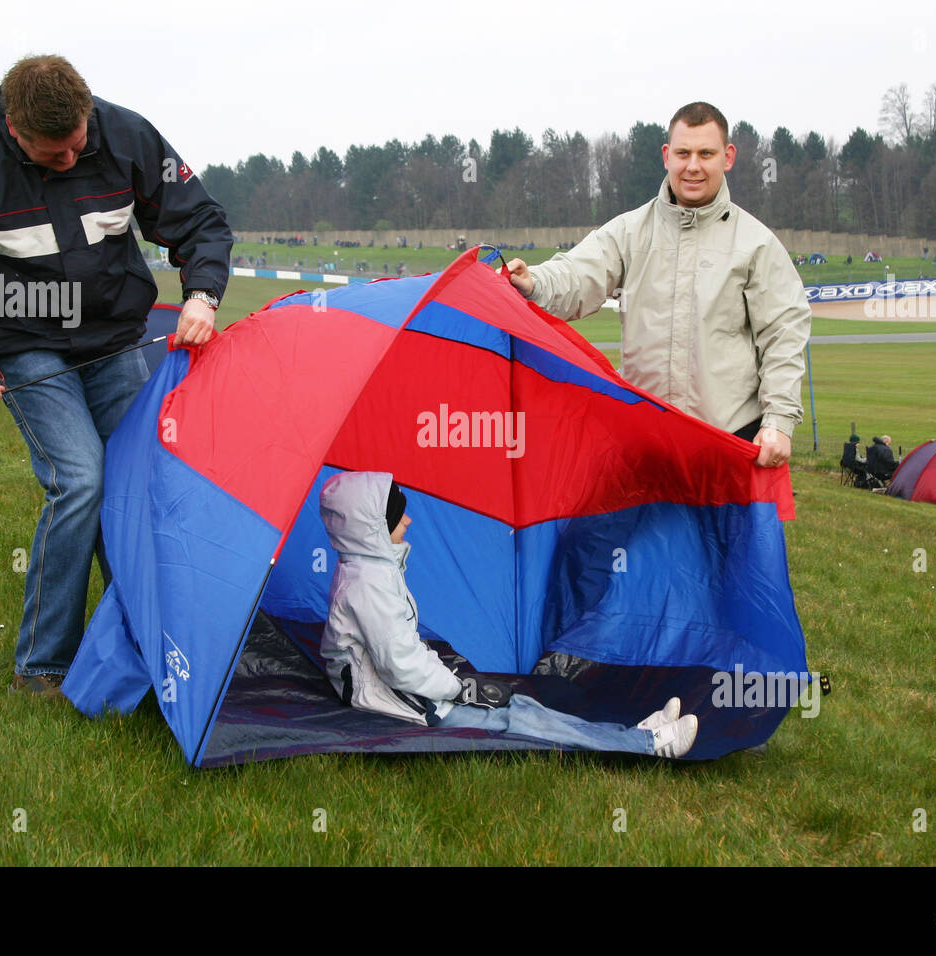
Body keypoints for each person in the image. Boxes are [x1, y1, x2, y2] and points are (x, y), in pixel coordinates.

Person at [0, 55, 233, 695]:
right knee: (80, 480)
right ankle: (42, 666)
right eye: (55, 157)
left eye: (78, 146)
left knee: (140, 479)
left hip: (113, 337)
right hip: (23, 341)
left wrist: (202, 293)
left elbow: (199, 219)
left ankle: (147, 643)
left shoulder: (127, 135)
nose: (72, 161)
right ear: (14, 128)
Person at [504, 102, 810, 470]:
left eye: (706, 154)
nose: (693, 166)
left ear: (727, 157)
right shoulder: (630, 232)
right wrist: (533, 281)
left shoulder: (757, 244)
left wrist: (779, 421)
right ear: (667, 156)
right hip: (644, 443)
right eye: (683, 153)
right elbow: (577, 274)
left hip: (729, 443)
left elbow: (783, 335)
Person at [319, 471, 699, 759]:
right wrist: (459, 688)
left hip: (404, 689)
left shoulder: (373, 569)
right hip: (393, 701)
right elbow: (398, 666)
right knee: (516, 720)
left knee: (522, 706)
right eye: (399, 515)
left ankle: (633, 732)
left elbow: (398, 647)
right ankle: (647, 745)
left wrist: (457, 682)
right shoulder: (369, 584)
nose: (409, 521)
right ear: (374, 529)